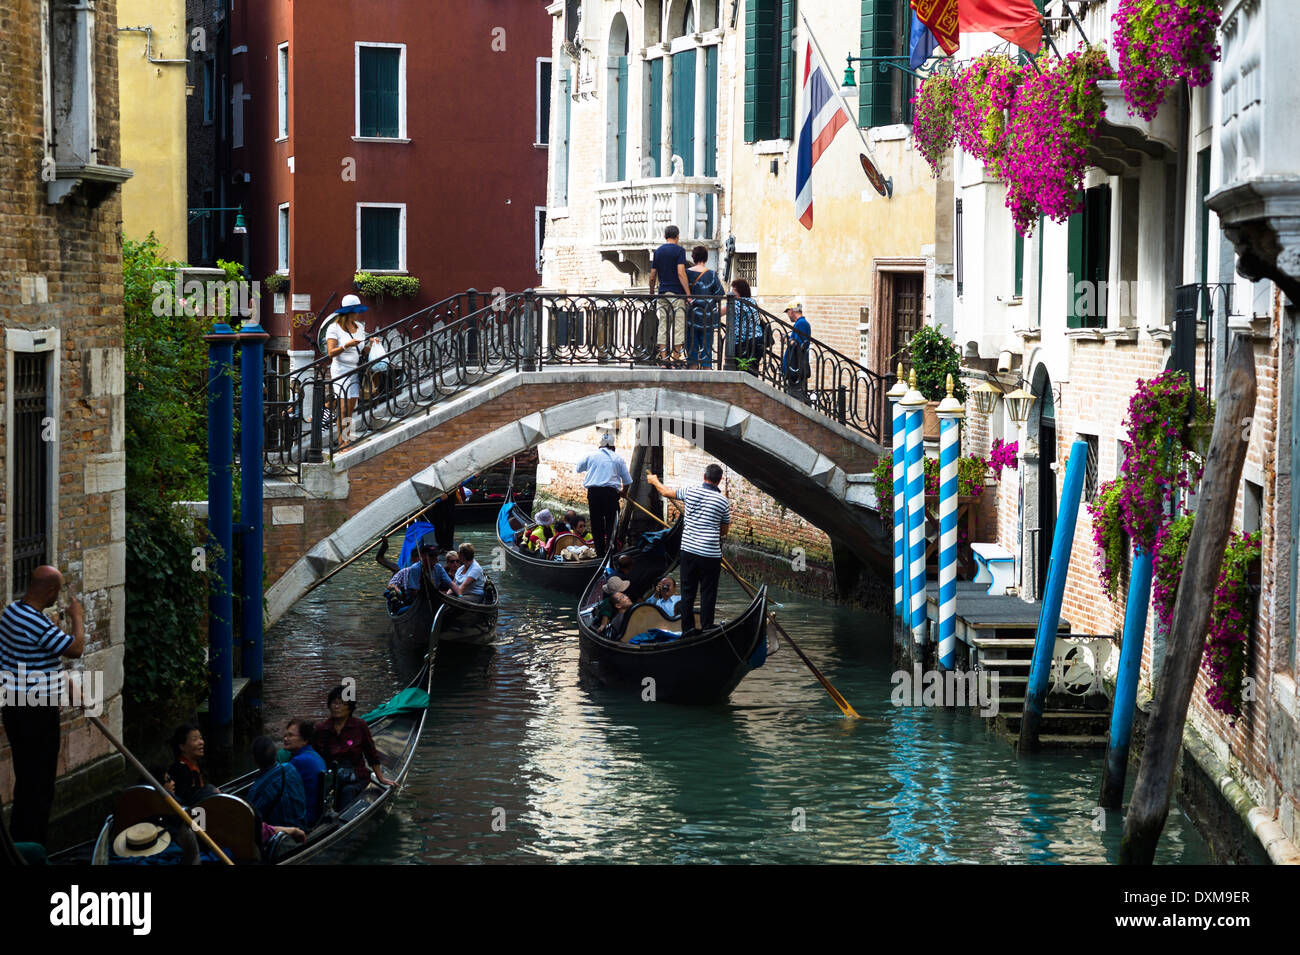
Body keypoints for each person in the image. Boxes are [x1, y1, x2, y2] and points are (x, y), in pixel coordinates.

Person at [0, 565, 86, 844]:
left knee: (27, 779)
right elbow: (75, 649)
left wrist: (63, 681)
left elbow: (35, 656)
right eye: (58, 591)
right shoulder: (35, 622)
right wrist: (77, 618)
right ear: (50, 590)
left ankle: (21, 843)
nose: (57, 597)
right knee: (40, 784)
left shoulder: (12, 612)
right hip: (36, 712)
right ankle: (32, 846)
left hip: (14, 707)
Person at [646, 464, 731, 635]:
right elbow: (723, 531)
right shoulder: (723, 501)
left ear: (704, 476)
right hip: (710, 554)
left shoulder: (690, 491)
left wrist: (654, 481)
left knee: (687, 591)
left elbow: (665, 492)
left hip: (689, 551)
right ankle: (707, 627)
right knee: (708, 593)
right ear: (719, 480)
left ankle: (688, 629)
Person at [314, 685, 396, 806]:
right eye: (334, 703)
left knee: (347, 792)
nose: (336, 707)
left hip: (356, 777)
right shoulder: (321, 729)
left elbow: (371, 753)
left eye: (342, 703)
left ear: (350, 708)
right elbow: (315, 755)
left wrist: (381, 778)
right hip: (331, 777)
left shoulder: (359, 726)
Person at [324, 294, 376, 449]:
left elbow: (362, 349)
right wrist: (346, 345)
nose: (358, 314)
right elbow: (331, 352)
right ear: (347, 312)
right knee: (343, 407)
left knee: (351, 407)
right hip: (340, 371)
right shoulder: (333, 328)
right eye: (355, 311)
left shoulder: (359, 327)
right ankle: (342, 442)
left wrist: (373, 344)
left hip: (355, 370)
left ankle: (346, 437)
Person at [576, 432, 632, 555]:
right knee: (612, 525)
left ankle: (600, 553)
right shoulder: (618, 459)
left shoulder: (590, 455)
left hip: (593, 494)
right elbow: (627, 481)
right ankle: (610, 552)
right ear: (613, 446)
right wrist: (623, 492)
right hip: (610, 495)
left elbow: (578, 468)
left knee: (596, 525)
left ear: (600, 445)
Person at [648, 224, 691, 364]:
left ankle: (664, 358)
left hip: (662, 294)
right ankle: (675, 359)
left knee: (663, 326)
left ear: (665, 236)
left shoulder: (658, 252)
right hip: (677, 294)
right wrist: (688, 293)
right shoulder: (679, 251)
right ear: (677, 236)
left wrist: (651, 292)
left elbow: (653, 276)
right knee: (678, 326)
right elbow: (681, 272)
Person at [247, 735, 308, 829]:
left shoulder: (257, 789)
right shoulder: (290, 768)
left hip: (281, 838)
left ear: (254, 759)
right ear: (276, 754)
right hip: (301, 826)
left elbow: (252, 820)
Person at [385, 535, 452, 611]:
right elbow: (393, 585)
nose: (419, 560)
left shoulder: (437, 568)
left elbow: (449, 584)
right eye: (417, 557)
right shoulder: (407, 570)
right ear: (412, 559)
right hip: (412, 600)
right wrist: (398, 591)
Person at [281, 718, 327, 825]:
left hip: (304, 817)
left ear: (305, 739)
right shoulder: (315, 756)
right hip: (315, 814)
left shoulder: (299, 761)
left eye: (291, 735)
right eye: (285, 735)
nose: (286, 738)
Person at [686, 246, 724, 369]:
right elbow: (719, 294)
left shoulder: (686, 273)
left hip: (690, 316)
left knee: (692, 347)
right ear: (706, 258)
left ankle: (692, 370)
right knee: (707, 347)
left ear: (693, 257)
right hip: (707, 317)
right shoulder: (712, 275)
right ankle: (707, 370)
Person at [167, 723, 220, 806]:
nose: (201, 742)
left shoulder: (196, 765)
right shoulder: (180, 769)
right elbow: (186, 802)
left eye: (201, 738)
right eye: (195, 739)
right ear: (182, 746)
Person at [722, 278, 766, 375]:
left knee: (741, 371)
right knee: (752, 370)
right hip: (757, 339)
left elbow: (718, 312)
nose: (731, 291)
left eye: (733, 288)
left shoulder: (735, 303)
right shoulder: (752, 301)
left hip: (743, 342)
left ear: (738, 290)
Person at [781, 299, 812, 401]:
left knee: (795, 400)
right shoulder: (800, 323)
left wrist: (787, 339)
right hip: (795, 370)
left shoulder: (801, 324)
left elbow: (798, 345)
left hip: (796, 370)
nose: (788, 315)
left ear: (791, 311)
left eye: (787, 312)